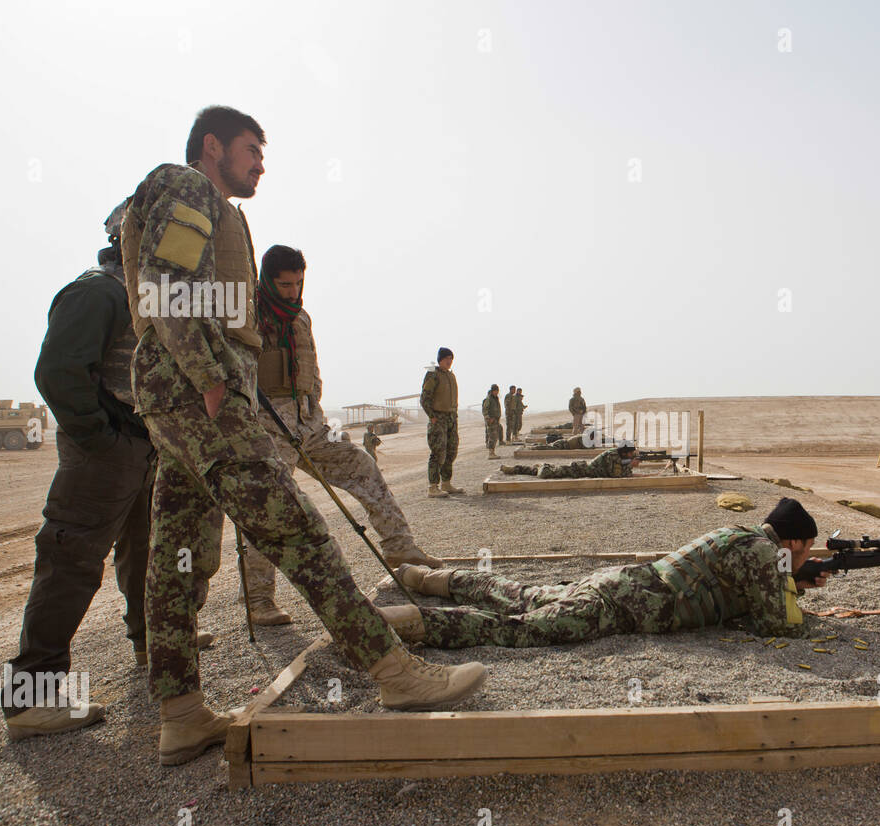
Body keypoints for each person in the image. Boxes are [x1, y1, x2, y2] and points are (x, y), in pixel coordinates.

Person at [120, 105, 485, 765]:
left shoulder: (216, 206)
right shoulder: (188, 186)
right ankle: (393, 673)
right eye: (251, 150)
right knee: (297, 530)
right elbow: (167, 286)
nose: (260, 163)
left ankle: (181, 715)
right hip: (196, 394)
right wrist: (210, 378)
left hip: (178, 395)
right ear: (213, 147)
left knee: (176, 555)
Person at [2, 201, 210, 740]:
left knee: (145, 553)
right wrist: (104, 438)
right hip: (108, 451)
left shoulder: (145, 298)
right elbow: (59, 372)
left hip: (143, 447)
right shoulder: (98, 291)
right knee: (69, 559)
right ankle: (32, 697)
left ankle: (150, 645)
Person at [240, 244, 442, 627]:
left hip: (310, 424)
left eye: (299, 283)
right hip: (267, 427)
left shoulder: (301, 319)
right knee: (267, 509)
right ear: (267, 281)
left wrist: (314, 409)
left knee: (363, 467)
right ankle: (258, 600)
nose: (293, 292)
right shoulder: (246, 316)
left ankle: (402, 550)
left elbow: (311, 371)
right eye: (285, 285)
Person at [377, 498, 830, 648]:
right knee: (519, 630)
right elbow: (777, 625)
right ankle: (408, 624)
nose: (805, 555)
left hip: (622, 582)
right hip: (629, 606)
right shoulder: (765, 555)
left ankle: (427, 579)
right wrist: (798, 596)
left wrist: (796, 582)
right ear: (792, 542)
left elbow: (734, 590)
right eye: (806, 549)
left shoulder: (741, 533)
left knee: (521, 595)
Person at [420, 347, 462, 498]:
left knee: (451, 450)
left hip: (451, 418)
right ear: (440, 359)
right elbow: (424, 398)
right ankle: (433, 486)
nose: (449, 361)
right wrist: (432, 416)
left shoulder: (450, 376)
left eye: (451, 358)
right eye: (447, 358)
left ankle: (446, 482)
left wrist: (454, 415)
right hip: (438, 419)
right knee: (438, 452)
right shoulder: (433, 375)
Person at [499, 443, 636, 479]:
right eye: (630, 453)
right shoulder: (613, 455)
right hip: (579, 470)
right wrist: (630, 466)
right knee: (545, 473)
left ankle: (515, 469)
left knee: (543, 472)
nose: (631, 455)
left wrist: (628, 465)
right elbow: (615, 475)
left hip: (580, 471)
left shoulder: (617, 455)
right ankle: (542, 465)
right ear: (624, 452)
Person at [482, 384, 502, 460]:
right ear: (493, 391)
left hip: (496, 420)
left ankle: (493, 452)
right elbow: (485, 410)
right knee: (492, 437)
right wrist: (488, 419)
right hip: (491, 421)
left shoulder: (495, 399)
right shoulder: (489, 399)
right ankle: (491, 453)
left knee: (495, 436)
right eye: (496, 391)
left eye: (497, 391)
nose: (497, 393)